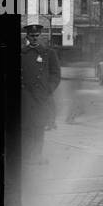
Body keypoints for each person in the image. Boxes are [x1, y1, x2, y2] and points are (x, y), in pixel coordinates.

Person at [20, 24, 62, 168]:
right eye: (31, 36)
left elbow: (56, 74)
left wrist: (48, 89)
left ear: (41, 36)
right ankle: (26, 157)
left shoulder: (48, 53)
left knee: (38, 127)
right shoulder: (22, 53)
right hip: (25, 97)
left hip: (41, 97)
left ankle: (37, 156)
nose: (34, 38)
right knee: (26, 128)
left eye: (37, 35)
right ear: (27, 37)